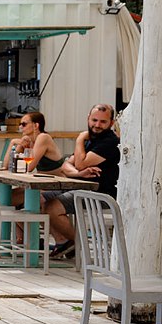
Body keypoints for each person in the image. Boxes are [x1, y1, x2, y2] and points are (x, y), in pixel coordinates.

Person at [43, 104, 120, 259]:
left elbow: (79, 162)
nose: (97, 125)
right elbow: (65, 166)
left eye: (102, 122)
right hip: (79, 188)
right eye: (94, 120)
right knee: (40, 199)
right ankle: (64, 243)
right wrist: (79, 173)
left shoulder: (109, 142)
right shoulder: (90, 139)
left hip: (100, 194)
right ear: (88, 119)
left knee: (52, 207)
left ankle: (80, 246)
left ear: (111, 123)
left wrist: (79, 140)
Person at [2, 112, 66, 176]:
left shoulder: (43, 137)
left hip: (59, 182)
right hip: (43, 181)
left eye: (24, 124)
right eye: (20, 124)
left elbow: (29, 167)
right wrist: (12, 142)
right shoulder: (27, 140)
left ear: (36, 125)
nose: (20, 127)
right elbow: (6, 166)